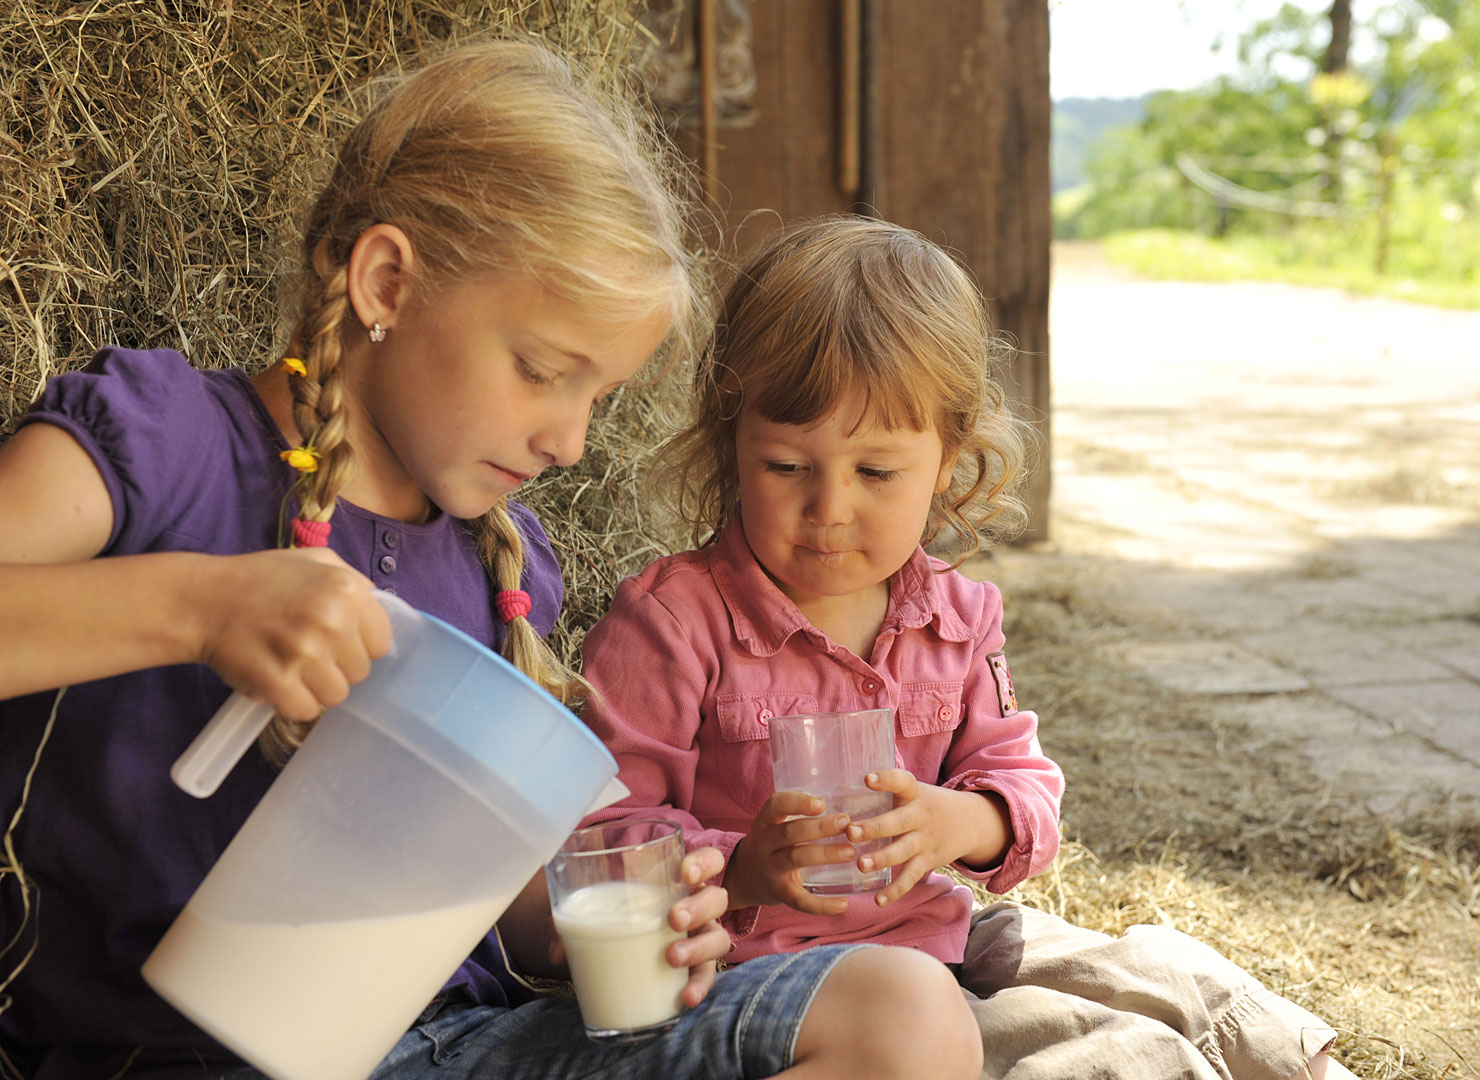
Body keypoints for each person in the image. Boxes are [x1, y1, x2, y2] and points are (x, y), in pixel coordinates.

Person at [0, 46, 983, 1080]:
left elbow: (499, 911)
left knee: (902, 1015)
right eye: (543, 372)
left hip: (451, 1052)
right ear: (387, 282)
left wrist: (634, 911)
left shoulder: (499, 569)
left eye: (596, 398)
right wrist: (196, 608)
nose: (568, 440)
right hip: (165, 1056)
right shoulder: (160, 447)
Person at [579, 215, 1359, 1080]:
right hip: (783, 983)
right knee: (1121, 1053)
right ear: (732, 443)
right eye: (786, 467)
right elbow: (607, 838)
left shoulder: (956, 615)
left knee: (1162, 971)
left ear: (948, 458)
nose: (830, 507)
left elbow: (1022, 785)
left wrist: (961, 820)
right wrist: (742, 867)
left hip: (940, 928)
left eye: (876, 473)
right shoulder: (673, 622)